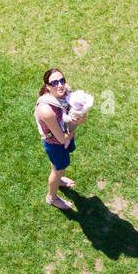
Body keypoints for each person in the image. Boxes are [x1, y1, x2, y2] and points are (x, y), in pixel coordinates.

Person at [35, 67, 88, 211]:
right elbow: (62, 139)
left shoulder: (65, 92)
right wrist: (78, 121)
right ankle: (51, 197)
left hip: (65, 135)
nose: (60, 85)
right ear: (47, 86)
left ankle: (59, 180)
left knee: (58, 167)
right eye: (54, 83)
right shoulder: (47, 110)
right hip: (56, 144)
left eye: (62, 80)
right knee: (58, 170)